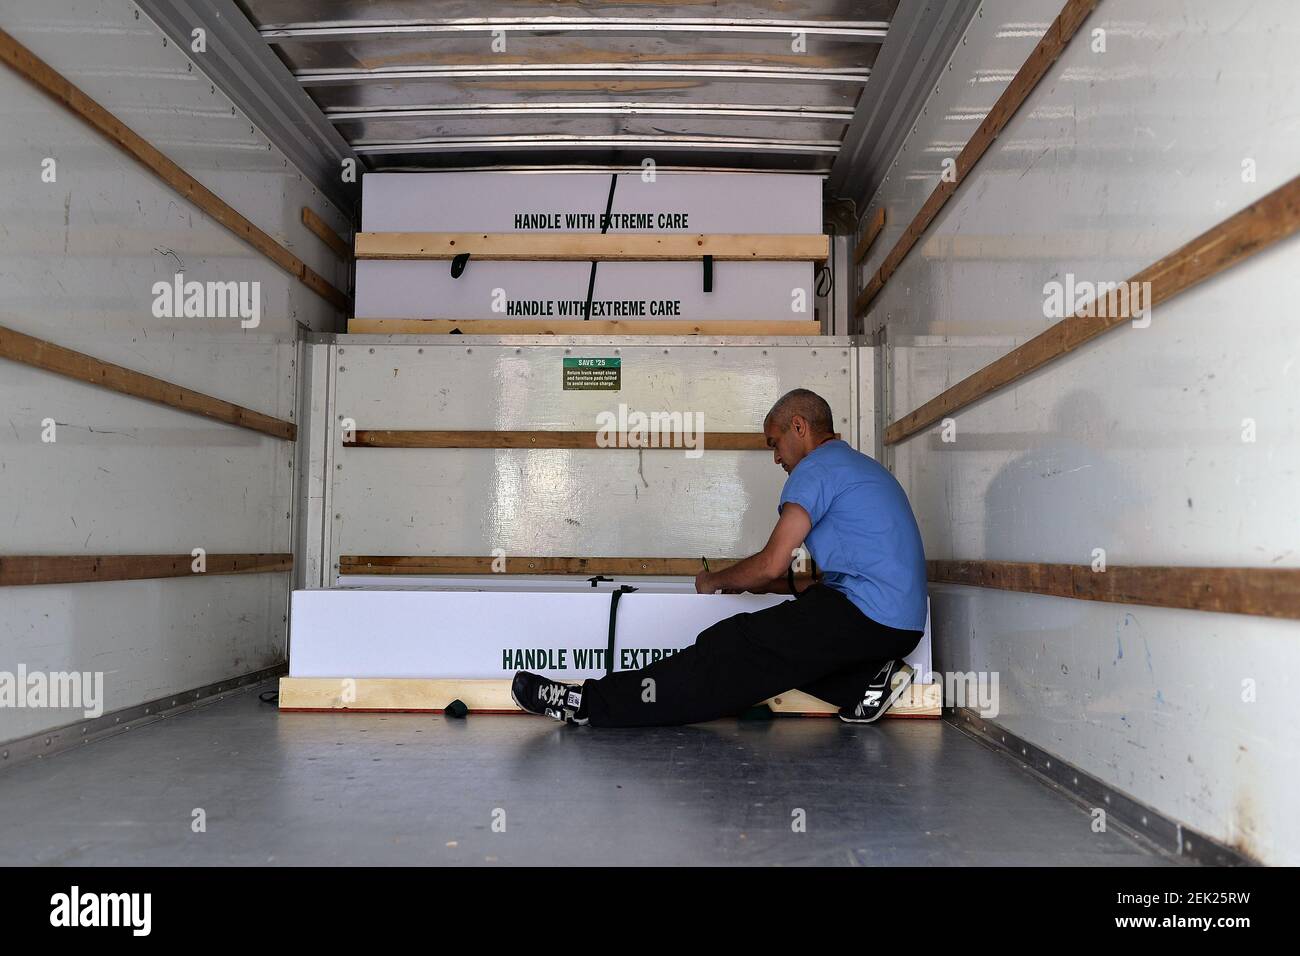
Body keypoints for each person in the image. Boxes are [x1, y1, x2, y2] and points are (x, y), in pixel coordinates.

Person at [511, 388, 928, 727]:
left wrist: (714, 580)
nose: (776, 458)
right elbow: (824, 578)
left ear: (799, 427)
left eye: (775, 443)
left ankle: (586, 703)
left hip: (865, 615)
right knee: (784, 654)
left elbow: (772, 562)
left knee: (730, 646)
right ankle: (867, 683)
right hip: (899, 625)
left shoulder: (815, 469)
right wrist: (768, 585)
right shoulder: (859, 467)